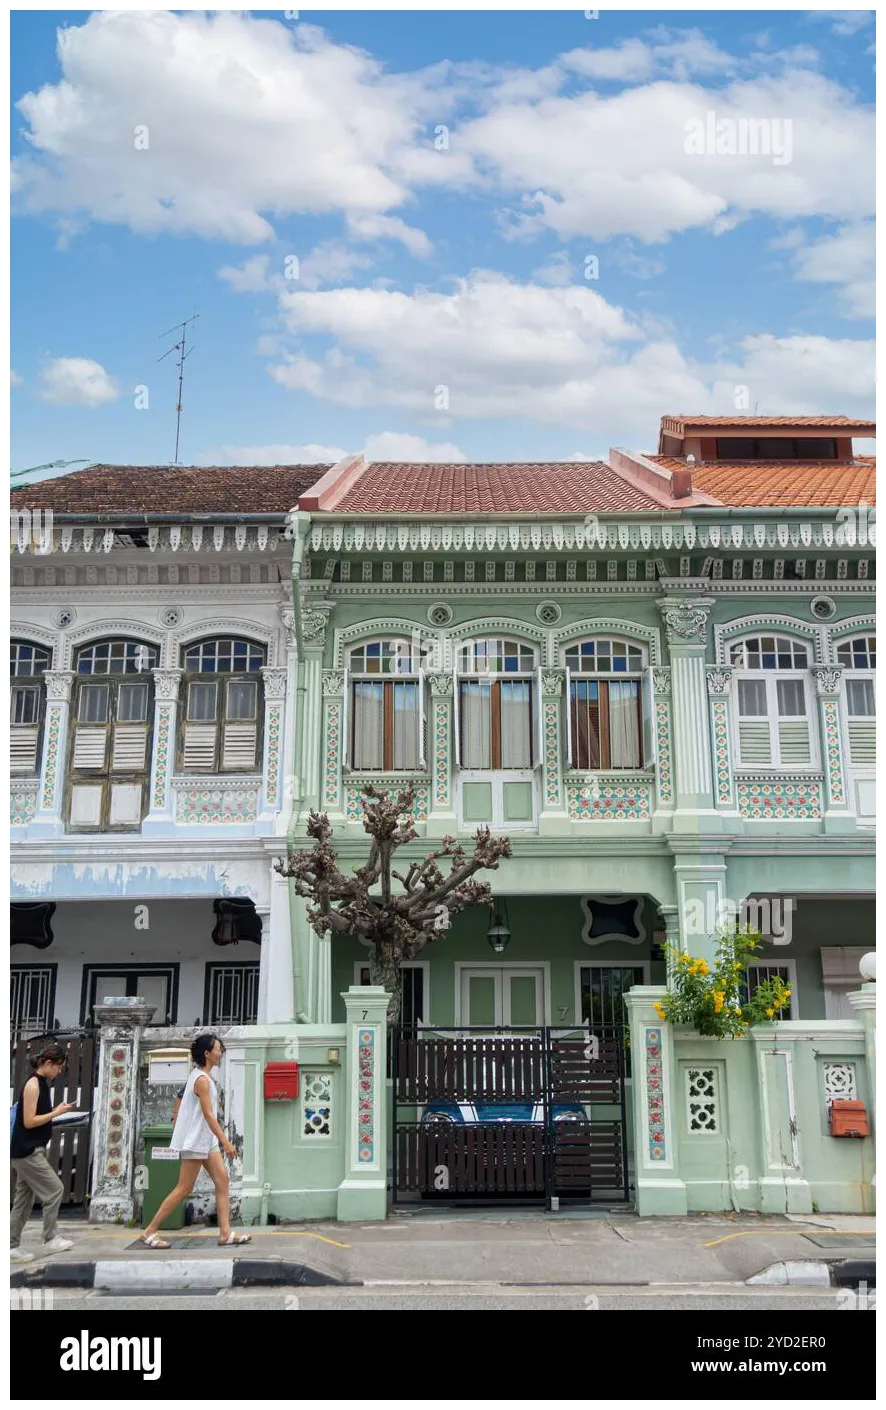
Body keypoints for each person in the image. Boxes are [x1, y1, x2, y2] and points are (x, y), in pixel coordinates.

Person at [139, 1033, 250, 1249]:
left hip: (205, 1141)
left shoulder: (201, 1076)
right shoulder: (201, 1080)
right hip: (196, 1141)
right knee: (184, 1188)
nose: (221, 1053)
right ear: (208, 1054)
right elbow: (209, 1115)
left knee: (222, 1181)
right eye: (218, 1049)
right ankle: (150, 1231)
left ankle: (225, 1233)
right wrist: (225, 1141)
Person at [10, 1042, 76, 1262]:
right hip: (27, 1150)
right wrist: (55, 1113)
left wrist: (55, 1112)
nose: (59, 1072)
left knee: (23, 1200)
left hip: (28, 1149)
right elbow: (29, 1121)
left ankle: (10, 1246)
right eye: (58, 1067)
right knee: (55, 1190)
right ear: (48, 1063)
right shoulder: (33, 1085)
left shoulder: (41, 1084)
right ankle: (50, 1239)